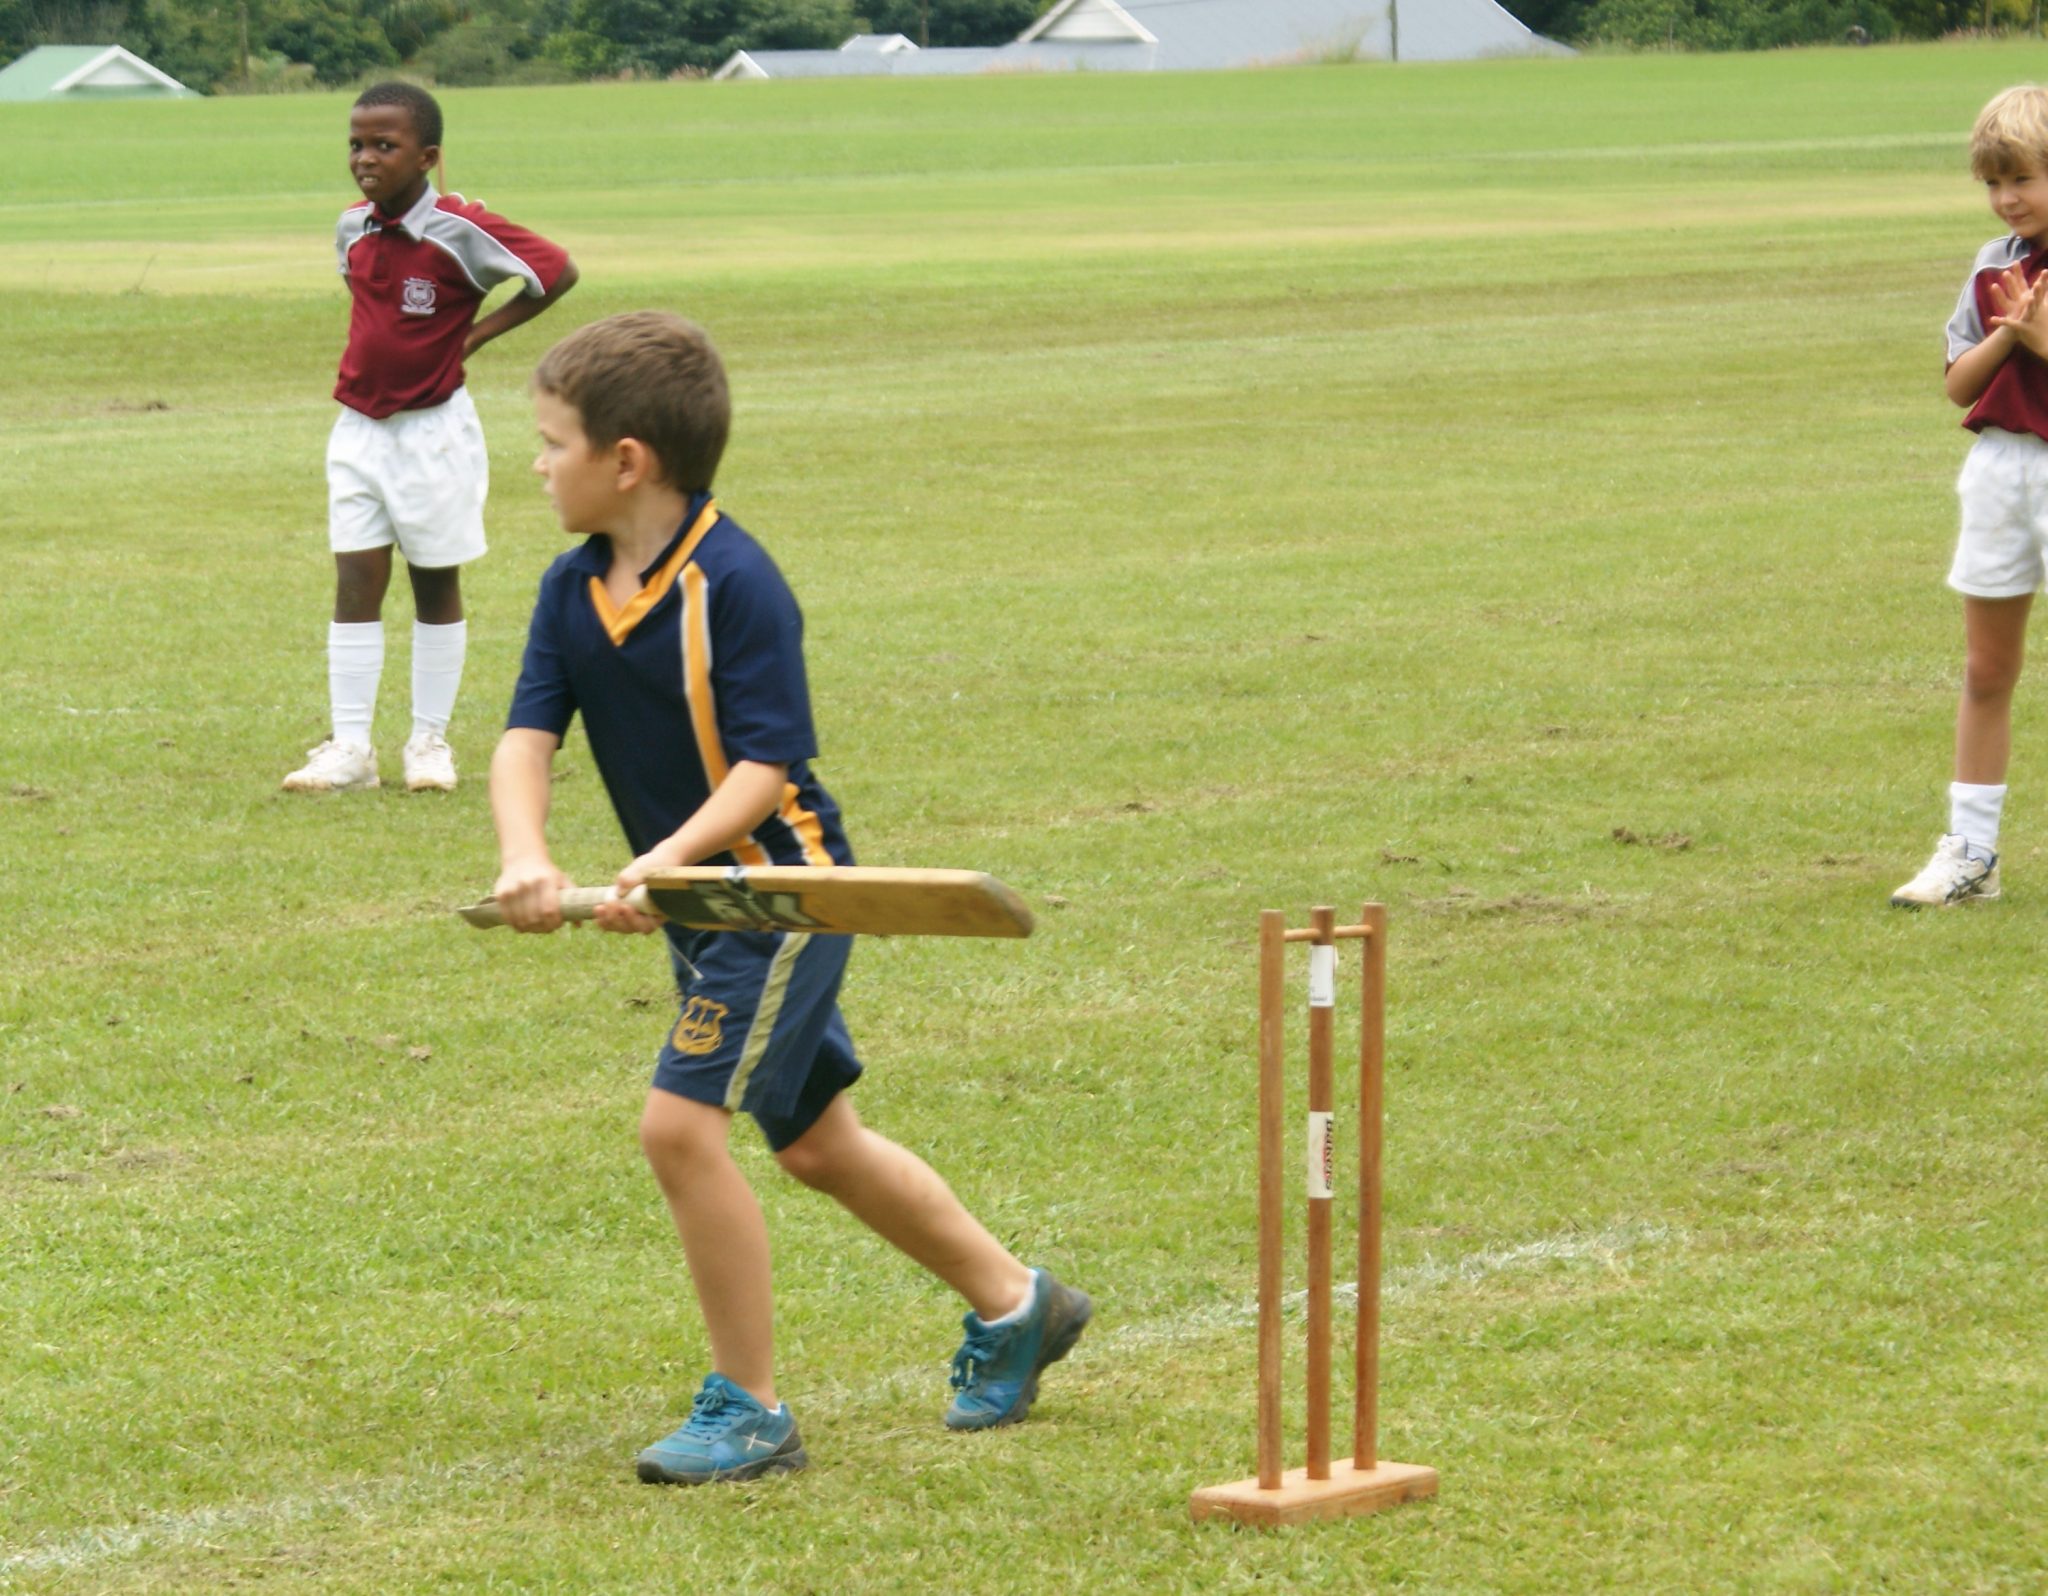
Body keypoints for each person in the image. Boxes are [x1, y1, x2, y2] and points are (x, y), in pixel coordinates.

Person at [486, 311, 1090, 1485]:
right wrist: (527, 853)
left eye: (551, 441)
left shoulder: (736, 581)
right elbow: (526, 734)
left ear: (626, 460)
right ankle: (1018, 1304)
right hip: (693, 896)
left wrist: (661, 864)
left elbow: (766, 767)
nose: (537, 464)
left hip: (779, 895)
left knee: (678, 1127)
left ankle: (750, 1410)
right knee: (815, 1143)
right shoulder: (572, 588)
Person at [284, 82, 578, 795]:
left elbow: (557, 272)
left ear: (428, 156)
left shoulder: (459, 227)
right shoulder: (351, 227)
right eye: (357, 144)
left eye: (385, 146)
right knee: (355, 579)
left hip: (434, 433)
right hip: (357, 429)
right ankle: (351, 748)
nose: (366, 158)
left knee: (433, 581)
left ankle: (428, 742)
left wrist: (473, 336)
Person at [1894, 84, 2048, 908]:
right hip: (1999, 469)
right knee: (1988, 668)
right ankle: (1972, 855)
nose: (2006, 198)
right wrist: (2007, 335)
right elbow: (1959, 387)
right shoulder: (1994, 266)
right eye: (1993, 182)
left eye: (2022, 177)